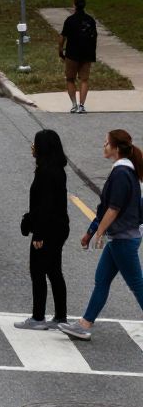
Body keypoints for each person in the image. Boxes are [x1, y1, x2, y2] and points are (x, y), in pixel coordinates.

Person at [59, 130, 143, 341]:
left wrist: (100, 232)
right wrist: (91, 232)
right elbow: (105, 208)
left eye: (106, 143)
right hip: (120, 238)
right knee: (102, 280)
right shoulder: (123, 171)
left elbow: (113, 209)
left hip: (124, 238)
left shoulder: (122, 173)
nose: (103, 146)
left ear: (116, 148)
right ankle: (84, 325)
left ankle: (84, 324)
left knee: (136, 284)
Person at [15, 129, 69, 330]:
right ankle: (60, 317)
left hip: (48, 230)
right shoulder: (56, 169)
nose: (32, 147)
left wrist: (38, 234)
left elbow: (45, 206)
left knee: (38, 271)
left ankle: (38, 317)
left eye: (35, 143)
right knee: (54, 271)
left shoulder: (46, 172)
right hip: (59, 227)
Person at [58, 0, 97, 114]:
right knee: (84, 79)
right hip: (87, 53)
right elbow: (94, 37)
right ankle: (82, 105)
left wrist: (60, 50)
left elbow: (62, 37)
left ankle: (74, 104)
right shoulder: (90, 20)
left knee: (70, 79)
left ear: (74, 5)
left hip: (72, 53)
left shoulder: (70, 20)